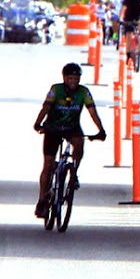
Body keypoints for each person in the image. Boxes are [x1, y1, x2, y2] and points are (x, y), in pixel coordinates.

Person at [32, 62, 107, 216]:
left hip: (72, 128)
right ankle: (41, 200)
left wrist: (101, 130)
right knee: (48, 165)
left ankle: (73, 174)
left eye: (76, 78)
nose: (73, 81)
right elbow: (46, 107)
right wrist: (38, 123)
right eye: (70, 78)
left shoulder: (84, 92)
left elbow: (93, 112)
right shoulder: (56, 89)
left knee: (80, 142)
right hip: (53, 128)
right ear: (65, 78)